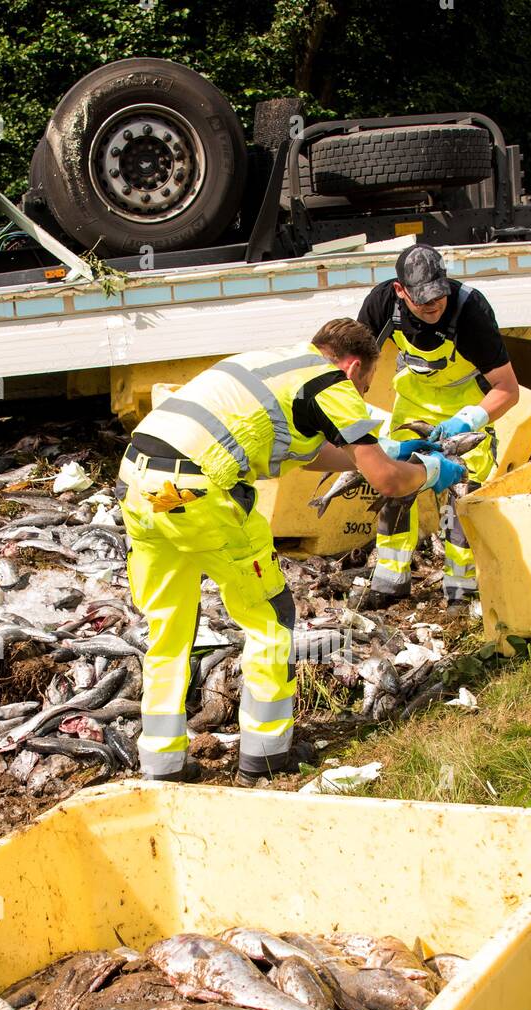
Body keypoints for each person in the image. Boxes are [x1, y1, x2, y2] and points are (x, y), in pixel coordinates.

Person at [116, 317, 467, 785]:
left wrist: (391, 449)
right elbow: (385, 482)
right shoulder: (332, 382)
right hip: (199, 493)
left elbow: (314, 454)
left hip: (142, 486)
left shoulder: (275, 363)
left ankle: (162, 763)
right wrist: (430, 471)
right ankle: (265, 753)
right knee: (269, 617)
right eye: (365, 385)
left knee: (169, 626)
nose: (361, 395)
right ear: (355, 366)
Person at [356, 244, 519, 607]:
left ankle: (462, 591)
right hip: (412, 402)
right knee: (396, 486)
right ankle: (389, 582)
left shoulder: (469, 309)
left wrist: (467, 420)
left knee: (464, 494)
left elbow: (508, 390)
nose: (433, 306)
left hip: (467, 406)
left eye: (438, 297)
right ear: (400, 291)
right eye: (422, 300)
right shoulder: (383, 303)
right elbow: (354, 367)